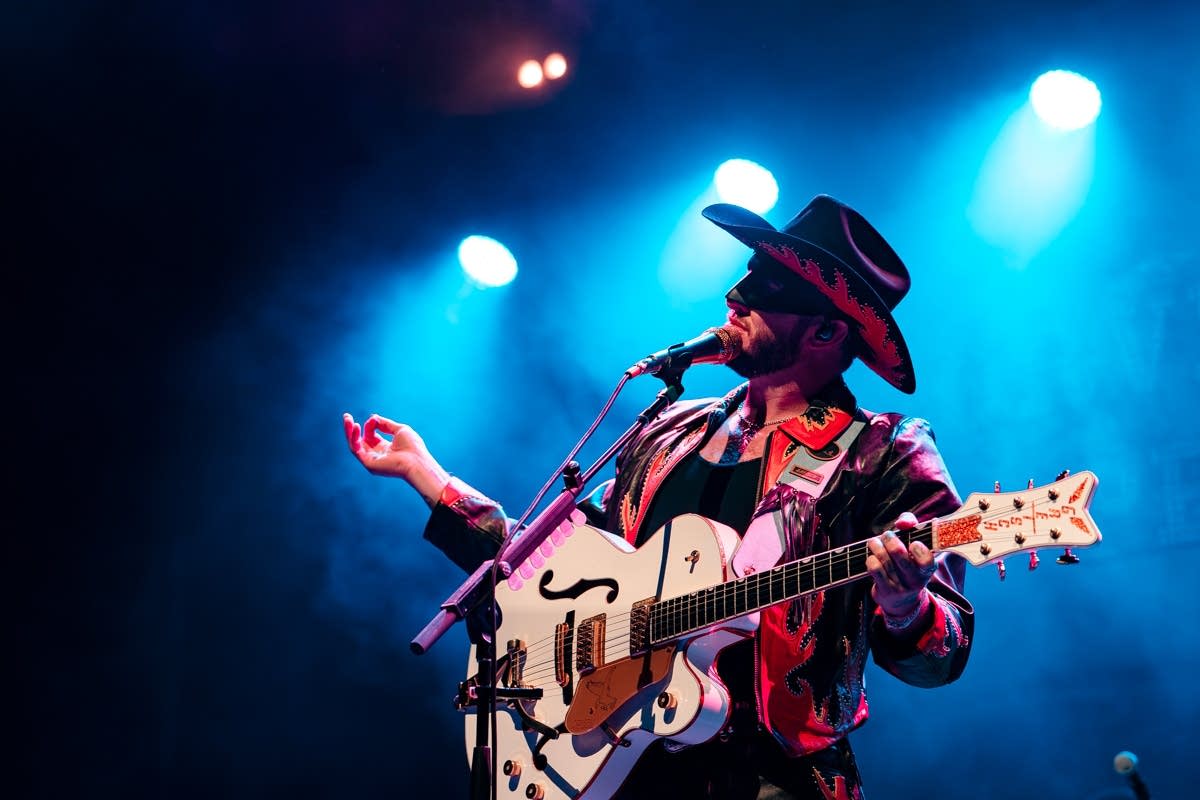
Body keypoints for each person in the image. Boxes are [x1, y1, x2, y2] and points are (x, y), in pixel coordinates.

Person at [343, 195, 973, 799]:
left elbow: (942, 655)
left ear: (827, 331)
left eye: (770, 285)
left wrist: (906, 605)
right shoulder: (671, 428)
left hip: (769, 778)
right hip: (620, 760)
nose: (736, 295)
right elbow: (547, 569)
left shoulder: (883, 452)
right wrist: (429, 478)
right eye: (747, 271)